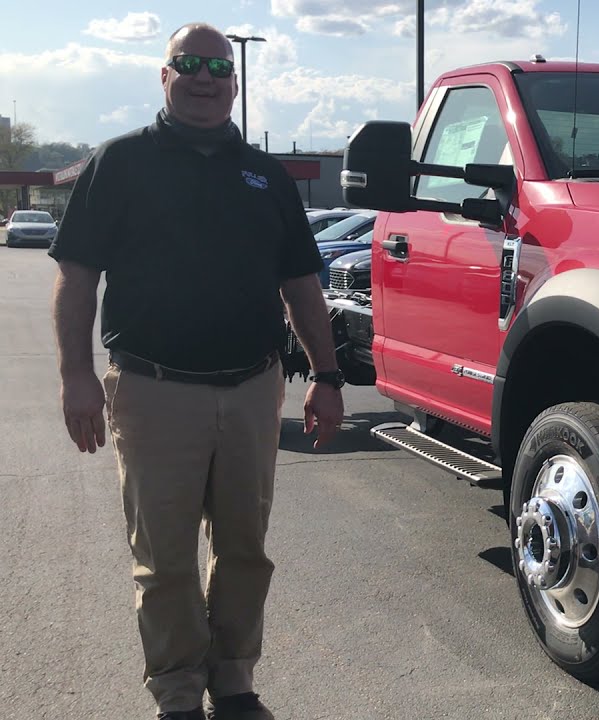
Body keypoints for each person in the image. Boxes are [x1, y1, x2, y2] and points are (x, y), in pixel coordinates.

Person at [49, 22, 345, 720]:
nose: (206, 77)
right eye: (190, 64)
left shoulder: (266, 176)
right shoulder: (118, 163)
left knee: (246, 548)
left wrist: (327, 379)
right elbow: (77, 278)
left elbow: (302, 287)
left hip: (251, 386)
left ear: (235, 84)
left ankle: (234, 680)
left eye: (218, 66)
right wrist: (75, 375)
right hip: (154, 389)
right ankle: (179, 692)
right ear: (165, 75)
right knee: (166, 558)